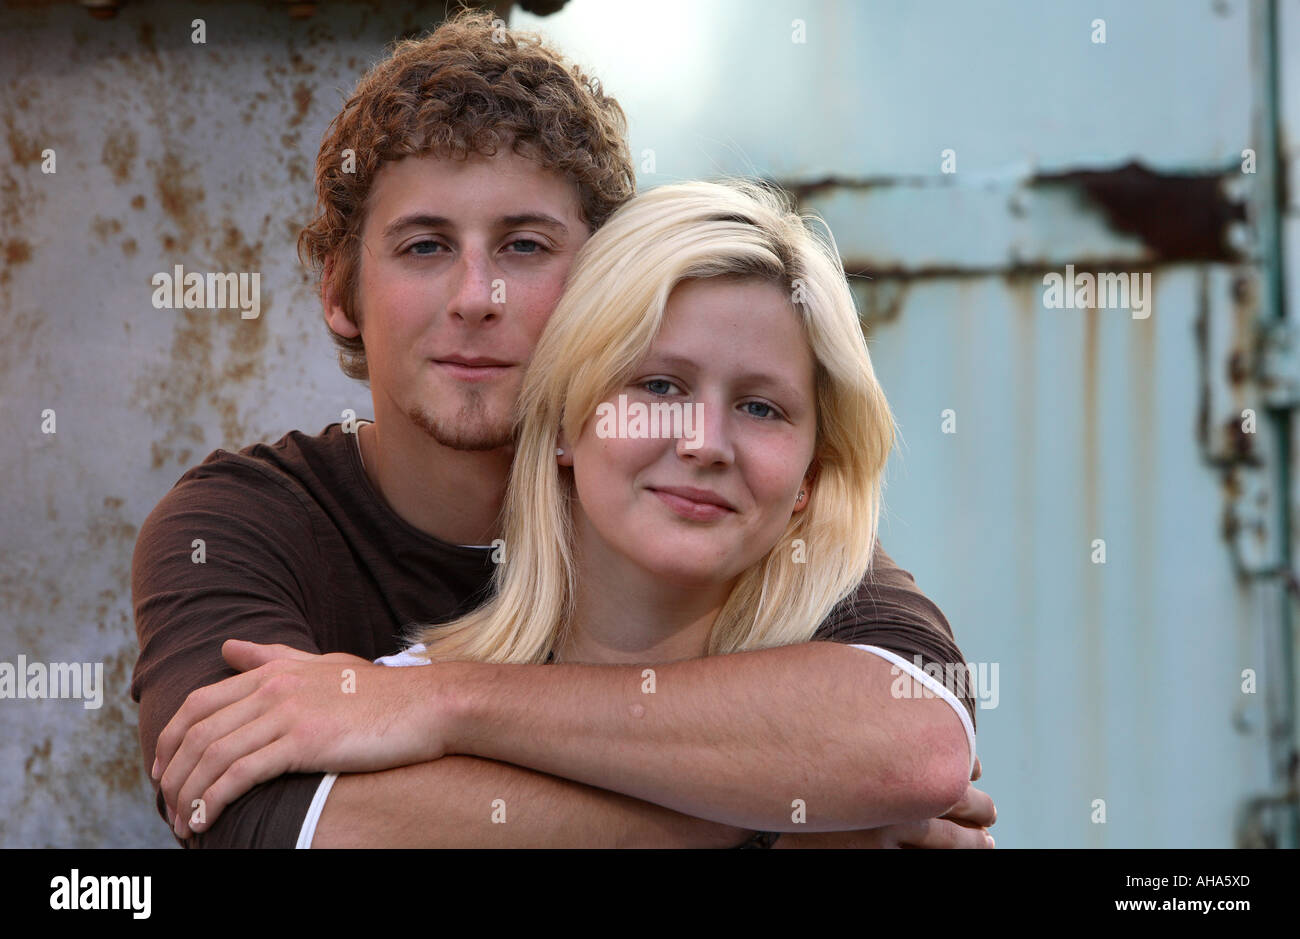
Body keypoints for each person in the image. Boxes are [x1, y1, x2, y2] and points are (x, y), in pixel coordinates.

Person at [135, 8, 995, 848]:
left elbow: (907, 741)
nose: (478, 297)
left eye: (525, 247)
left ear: (601, 285)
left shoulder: (721, 506)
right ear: (340, 289)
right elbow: (263, 814)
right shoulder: (243, 523)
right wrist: (792, 811)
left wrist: (432, 709)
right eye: (425, 246)